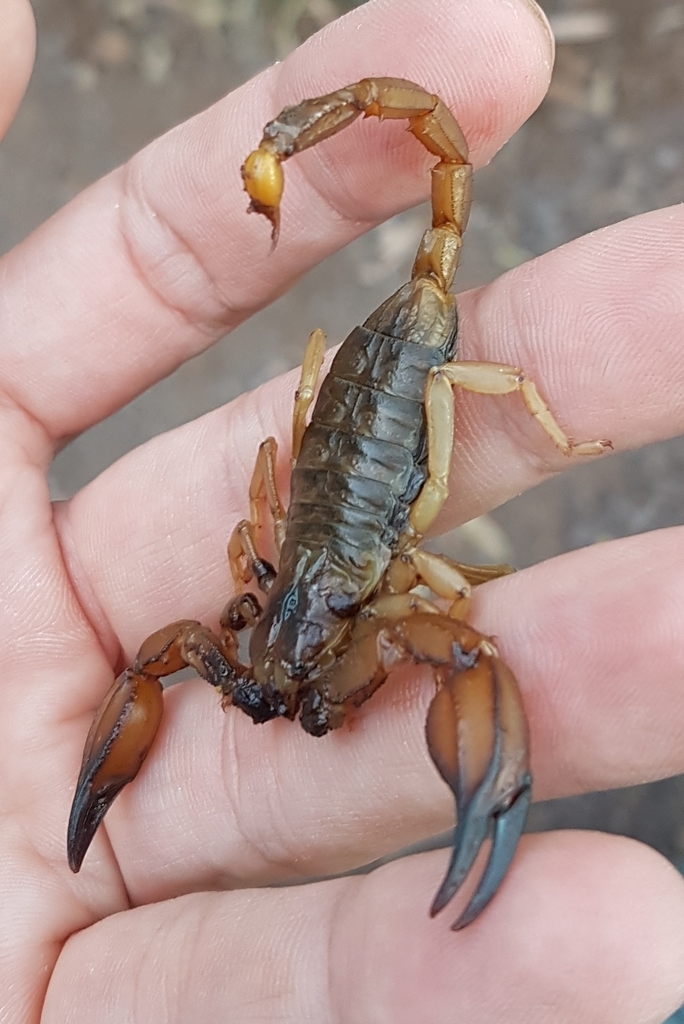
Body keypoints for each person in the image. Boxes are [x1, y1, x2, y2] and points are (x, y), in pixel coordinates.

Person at [1, 0, 684, 1019]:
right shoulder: (270, 596)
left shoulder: (360, 594)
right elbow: (173, 645)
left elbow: (451, 626)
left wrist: (539, 427)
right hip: (342, 443)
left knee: (460, 551)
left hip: (393, 385)